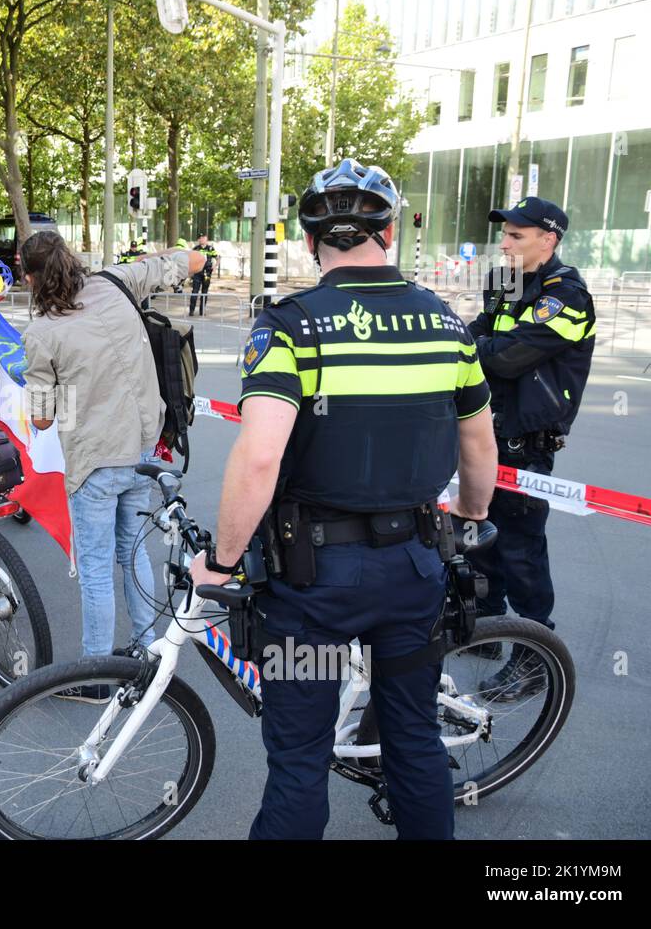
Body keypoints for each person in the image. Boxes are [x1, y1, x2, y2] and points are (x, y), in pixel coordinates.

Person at [189, 158, 499, 839]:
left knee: (299, 756)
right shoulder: (447, 326)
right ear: (388, 233)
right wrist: (472, 520)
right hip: (415, 572)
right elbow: (480, 447)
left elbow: (260, 455)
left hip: (313, 589)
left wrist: (222, 559)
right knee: (413, 739)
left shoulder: (292, 326)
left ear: (308, 242)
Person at [20, 230, 204, 686]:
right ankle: (145, 651)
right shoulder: (118, 280)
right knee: (134, 549)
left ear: (30, 278)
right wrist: (183, 254)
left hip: (96, 460)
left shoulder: (42, 332)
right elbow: (189, 262)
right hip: (144, 447)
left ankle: (97, 674)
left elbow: (41, 420)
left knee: (97, 570)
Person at [465, 197, 595, 698]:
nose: (505, 243)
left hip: (524, 441)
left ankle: (535, 655)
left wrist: (470, 348)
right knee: (478, 533)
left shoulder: (568, 295)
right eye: (505, 233)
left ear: (550, 239)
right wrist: (472, 344)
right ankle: (487, 629)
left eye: (517, 236)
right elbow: (481, 334)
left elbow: (509, 358)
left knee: (521, 548)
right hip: (485, 429)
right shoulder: (505, 281)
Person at [188, 232, 217, 317]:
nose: (202, 239)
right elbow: (190, 259)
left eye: (203, 237)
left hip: (207, 273)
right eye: (200, 238)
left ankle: (202, 311)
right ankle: (191, 310)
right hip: (197, 272)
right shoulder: (196, 249)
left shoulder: (211, 249)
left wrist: (214, 267)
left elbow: (217, 258)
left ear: (206, 239)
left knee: (204, 292)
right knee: (194, 292)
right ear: (198, 240)